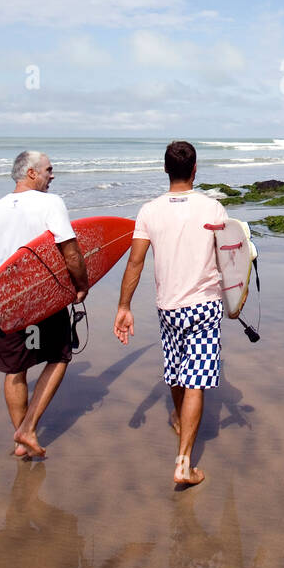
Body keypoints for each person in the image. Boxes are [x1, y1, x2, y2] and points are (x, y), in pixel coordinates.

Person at [113, 140, 226, 488]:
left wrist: (123, 306)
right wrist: (236, 302)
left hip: (168, 307)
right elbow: (230, 260)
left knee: (178, 373)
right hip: (206, 305)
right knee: (197, 381)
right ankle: (183, 463)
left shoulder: (149, 211)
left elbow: (135, 261)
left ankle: (179, 419)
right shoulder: (213, 208)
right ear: (194, 170)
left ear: (165, 169)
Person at [0, 151, 89, 459]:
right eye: (48, 170)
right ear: (30, 173)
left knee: (14, 369)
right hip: (43, 298)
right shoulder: (50, 203)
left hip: (7, 300)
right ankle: (27, 429)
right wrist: (81, 285)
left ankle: (21, 442)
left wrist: (1, 290)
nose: (52, 175)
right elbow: (70, 249)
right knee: (59, 356)